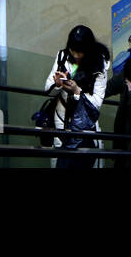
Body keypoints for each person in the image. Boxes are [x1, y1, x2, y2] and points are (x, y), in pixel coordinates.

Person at [43, 25, 110, 169]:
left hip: (85, 126)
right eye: (73, 51)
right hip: (61, 121)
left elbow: (97, 103)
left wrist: (77, 90)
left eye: (80, 52)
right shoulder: (62, 56)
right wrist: (58, 83)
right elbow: (47, 89)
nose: (76, 56)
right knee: (60, 161)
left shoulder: (99, 64)